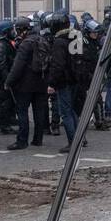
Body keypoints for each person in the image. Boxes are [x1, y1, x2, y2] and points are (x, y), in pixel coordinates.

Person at [4, 16, 48, 150]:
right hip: (41, 82)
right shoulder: (43, 40)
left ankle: (22, 140)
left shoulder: (25, 44)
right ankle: (38, 139)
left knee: (22, 112)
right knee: (39, 112)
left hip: (25, 84)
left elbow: (18, 66)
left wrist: (9, 81)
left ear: (21, 30)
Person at [46, 11, 84, 154]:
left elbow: (57, 65)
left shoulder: (59, 41)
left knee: (66, 112)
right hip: (76, 79)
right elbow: (80, 58)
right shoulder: (76, 37)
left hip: (64, 81)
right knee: (72, 110)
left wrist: (52, 83)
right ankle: (80, 139)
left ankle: (72, 142)